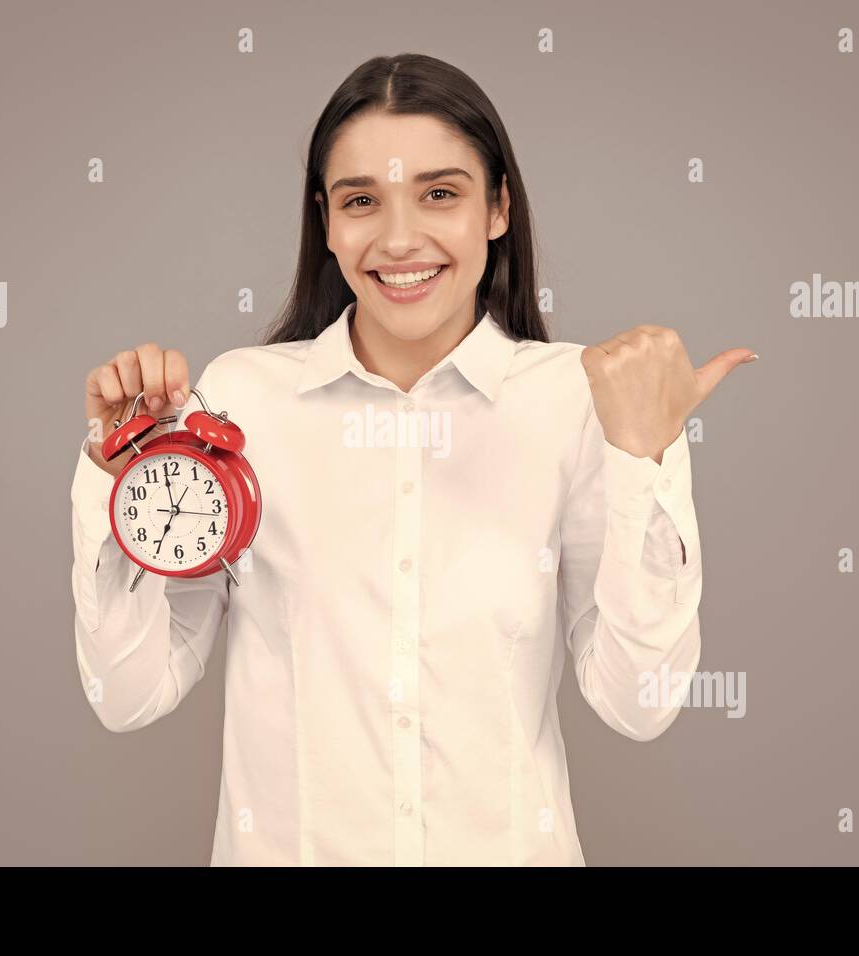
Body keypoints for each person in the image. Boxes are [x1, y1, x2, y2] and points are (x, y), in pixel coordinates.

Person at [69, 53, 756, 866]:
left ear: (498, 207)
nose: (399, 239)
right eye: (362, 201)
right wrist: (118, 478)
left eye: (440, 193)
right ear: (326, 222)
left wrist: (645, 456)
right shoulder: (241, 402)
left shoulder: (574, 400)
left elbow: (638, 704)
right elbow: (129, 693)